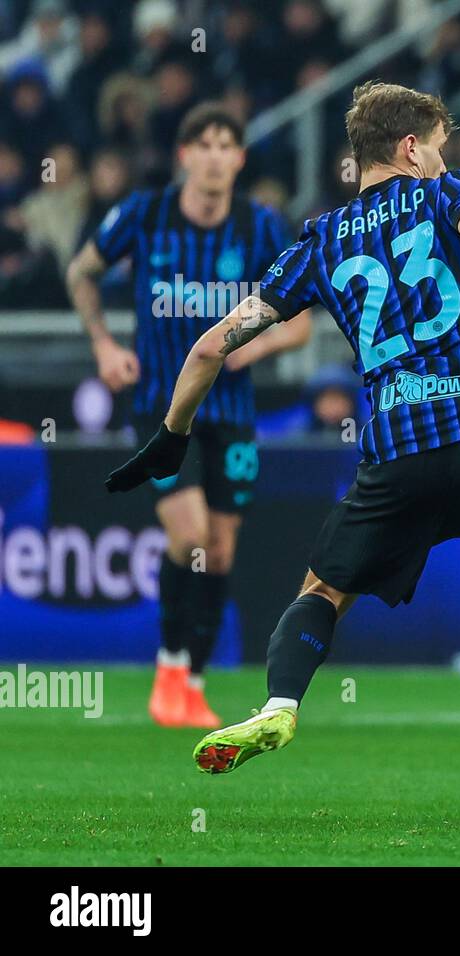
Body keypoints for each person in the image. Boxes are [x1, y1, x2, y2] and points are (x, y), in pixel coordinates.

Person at [104, 81, 460, 831]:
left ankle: (278, 707)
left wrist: (171, 435)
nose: (441, 157)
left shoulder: (322, 238)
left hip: (398, 449)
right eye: (436, 144)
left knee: (324, 589)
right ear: (409, 147)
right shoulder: (448, 193)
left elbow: (210, 344)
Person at [66, 102, 312, 729]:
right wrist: (103, 343)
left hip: (231, 412)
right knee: (191, 536)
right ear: (183, 157)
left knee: (223, 551)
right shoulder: (145, 214)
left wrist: (254, 344)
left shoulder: (260, 226)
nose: (213, 154)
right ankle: (169, 668)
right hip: (162, 408)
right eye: (201, 143)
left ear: (239, 159)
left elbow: (303, 322)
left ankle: (192, 684)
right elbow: (82, 272)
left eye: (225, 144)